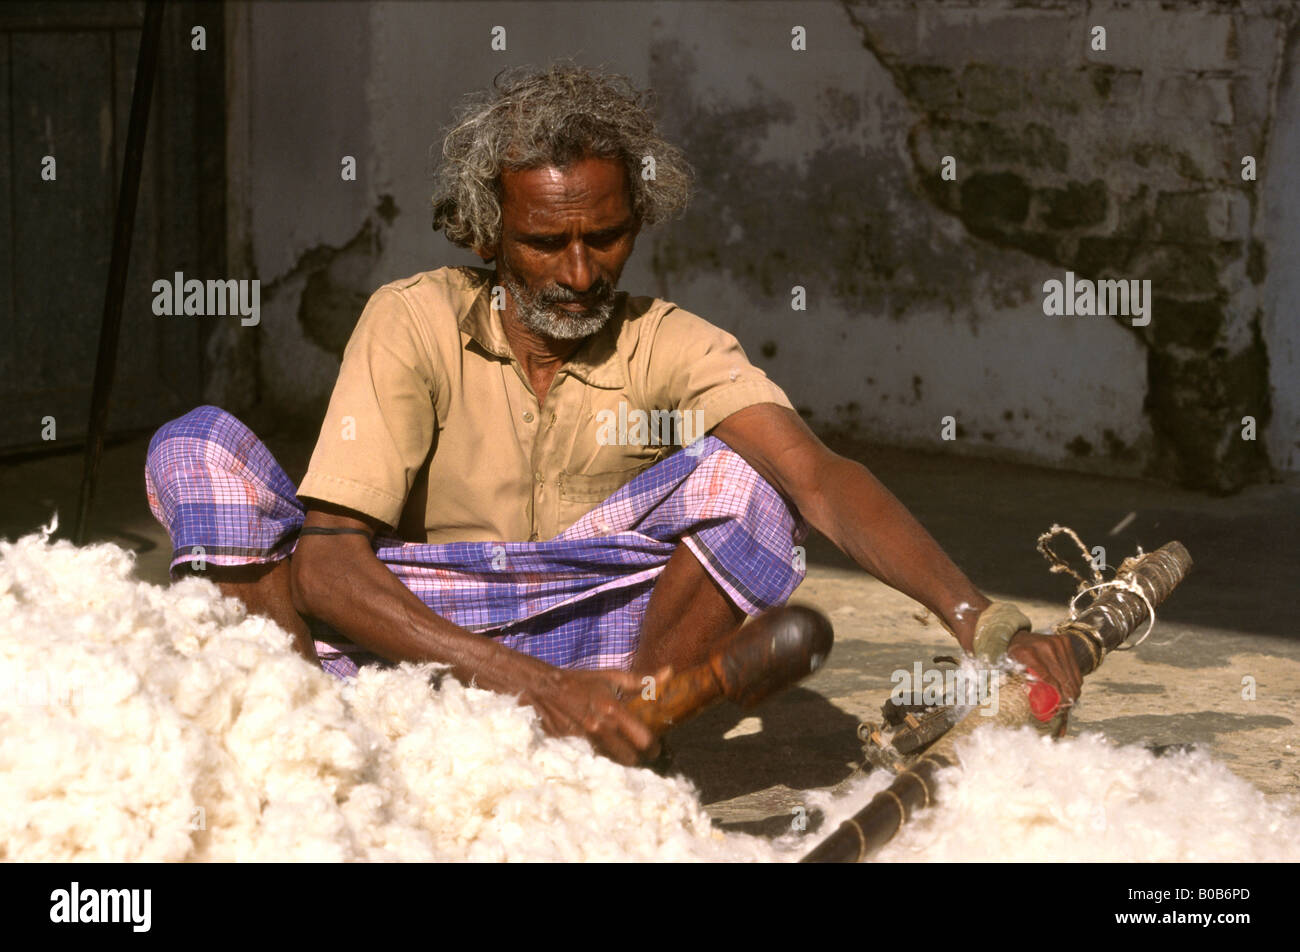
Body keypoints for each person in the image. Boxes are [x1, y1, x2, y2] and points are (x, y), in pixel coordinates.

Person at [146, 64, 1080, 766]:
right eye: (546, 242)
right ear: (483, 232)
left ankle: (632, 734)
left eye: (607, 235)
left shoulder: (670, 342)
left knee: (748, 474)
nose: (582, 271)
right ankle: (304, 740)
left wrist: (984, 621)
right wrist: (539, 689)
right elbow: (328, 563)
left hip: (607, 640)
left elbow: (819, 479)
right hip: (417, 636)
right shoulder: (414, 319)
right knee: (196, 445)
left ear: (642, 214)